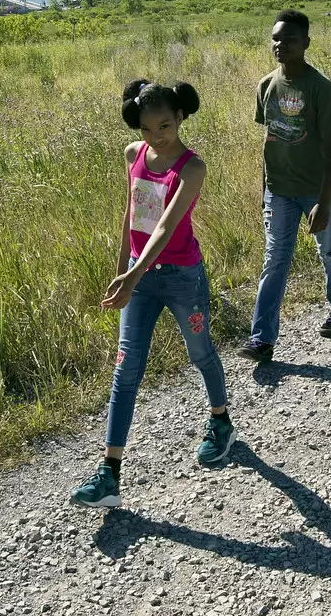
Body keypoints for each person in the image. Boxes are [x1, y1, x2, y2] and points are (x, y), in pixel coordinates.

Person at [70, 79, 233, 509]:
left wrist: (133, 274)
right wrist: (122, 269)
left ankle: (220, 421)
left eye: (165, 125)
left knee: (200, 353)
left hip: (181, 276)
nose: (157, 136)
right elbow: (133, 213)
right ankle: (109, 473)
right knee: (126, 370)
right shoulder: (133, 155)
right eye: (147, 128)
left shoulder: (192, 167)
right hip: (138, 278)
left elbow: (163, 226)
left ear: (180, 117)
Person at [240, 10, 331, 362]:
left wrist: (323, 200)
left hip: (317, 187)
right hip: (279, 189)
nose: (281, 45)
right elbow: (269, 137)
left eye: (289, 39)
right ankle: (262, 339)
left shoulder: (320, 88)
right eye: (276, 38)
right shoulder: (266, 86)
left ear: (306, 43)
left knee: (329, 249)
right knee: (275, 260)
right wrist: (263, 190)